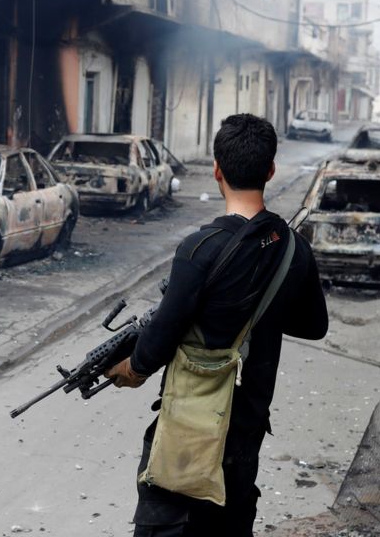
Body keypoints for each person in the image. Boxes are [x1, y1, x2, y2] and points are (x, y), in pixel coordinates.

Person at [105, 113, 329, 536]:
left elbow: (159, 338)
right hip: (245, 430)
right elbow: (315, 325)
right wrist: (267, 309)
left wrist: (131, 370)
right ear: (270, 170)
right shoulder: (295, 249)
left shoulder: (200, 247)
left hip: (189, 431)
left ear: (216, 170)